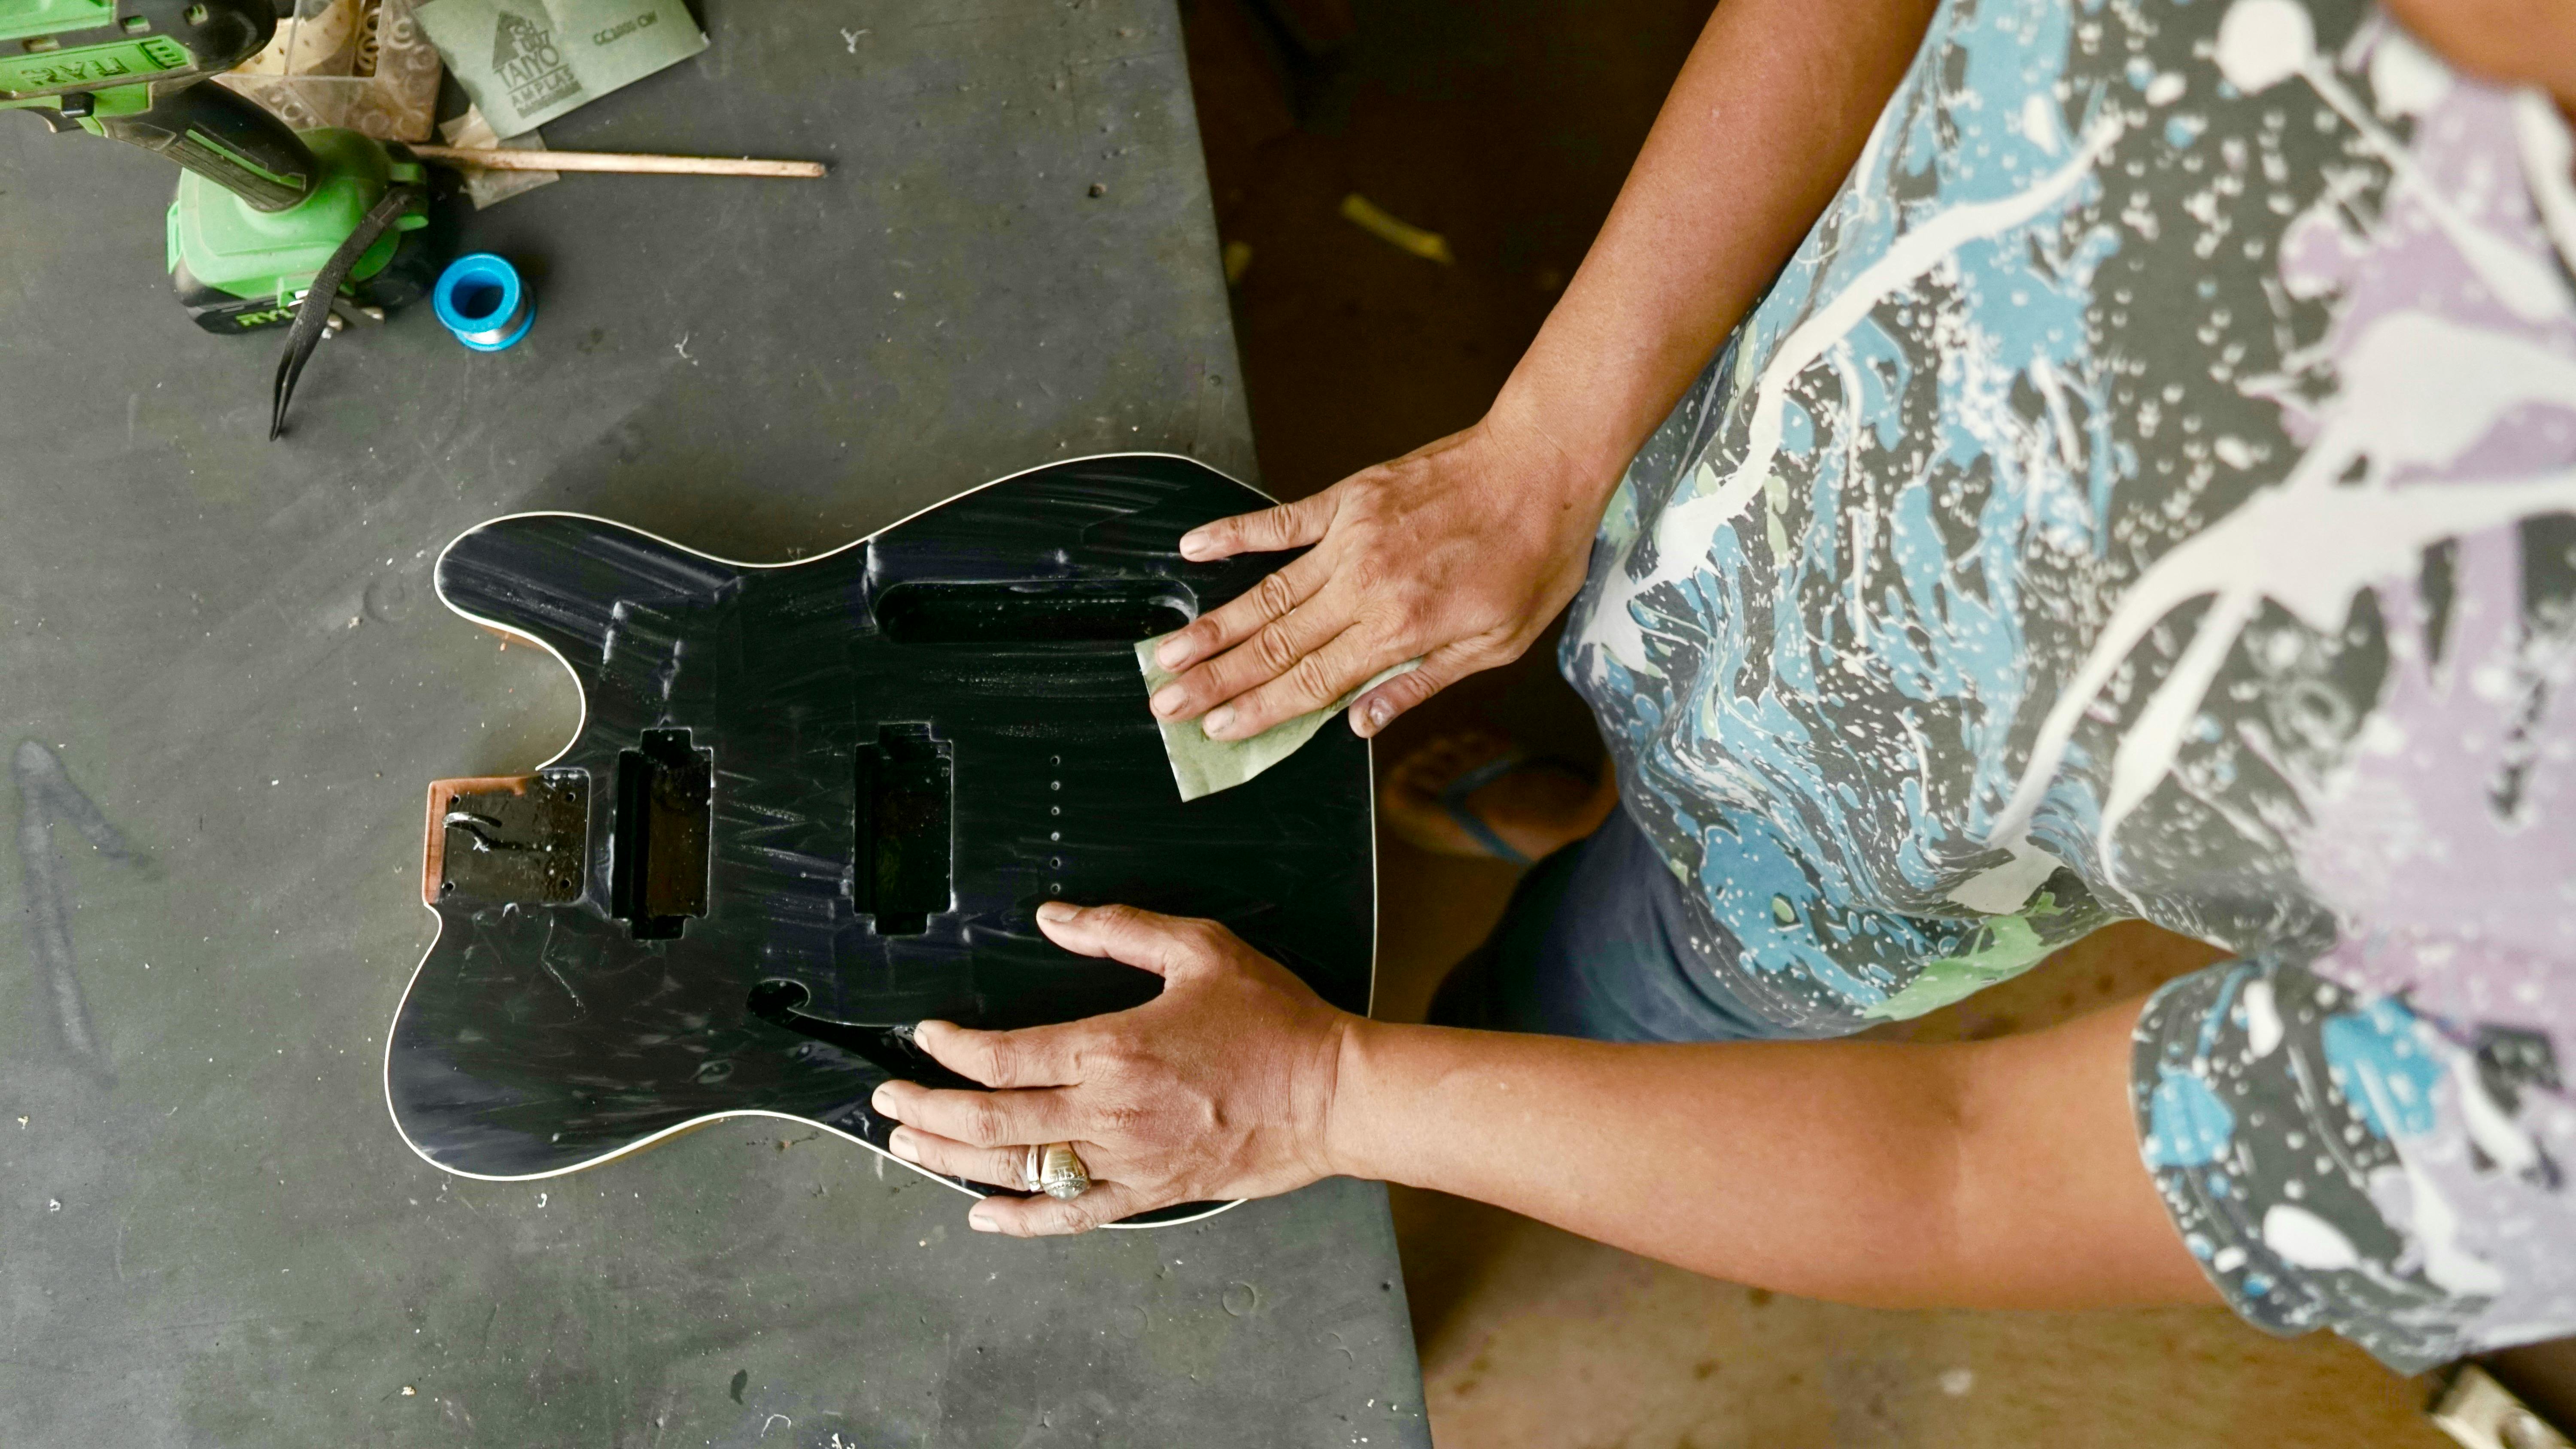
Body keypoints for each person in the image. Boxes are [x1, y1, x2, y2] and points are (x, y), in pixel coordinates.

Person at [871, 0, 2576, 1373]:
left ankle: (1581, 885)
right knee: (1626, 737)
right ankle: (1579, 801)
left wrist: (1325, 1098)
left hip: (1844, 873)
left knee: (1571, 1002)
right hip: (1695, 516)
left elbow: (1963, 1160)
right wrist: (1550, 451)